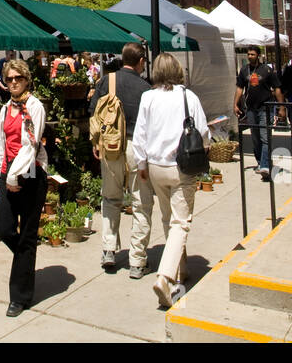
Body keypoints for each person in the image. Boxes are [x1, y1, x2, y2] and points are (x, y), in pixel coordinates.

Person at [132, 53, 209, 309]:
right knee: (180, 222)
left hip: (155, 167)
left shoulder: (148, 97)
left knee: (168, 219)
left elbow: (139, 134)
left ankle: (179, 270)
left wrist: (141, 164)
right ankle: (165, 277)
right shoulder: (188, 96)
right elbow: (204, 131)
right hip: (181, 167)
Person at [87, 42, 153, 276]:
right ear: (141, 61)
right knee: (140, 203)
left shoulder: (108, 81)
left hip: (111, 145)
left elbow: (93, 111)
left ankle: (108, 248)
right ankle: (137, 260)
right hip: (137, 148)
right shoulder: (146, 88)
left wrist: (97, 141)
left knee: (110, 197)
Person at [0, 58, 48, 317]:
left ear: (27, 80)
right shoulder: (5, 109)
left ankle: (19, 297)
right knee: (4, 228)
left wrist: (15, 176)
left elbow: (31, 144)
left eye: (18, 78)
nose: (14, 83)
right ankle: (25, 262)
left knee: (26, 233)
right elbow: (0, 143)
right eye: (10, 79)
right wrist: (2, 175)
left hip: (30, 173)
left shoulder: (34, 107)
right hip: (8, 172)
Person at [234, 45, 285, 180]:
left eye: (252, 54)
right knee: (255, 138)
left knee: (265, 137)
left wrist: (281, 107)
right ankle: (260, 162)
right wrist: (235, 104)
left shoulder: (267, 70)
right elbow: (239, 88)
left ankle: (265, 165)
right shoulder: (244, 70)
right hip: (251, 108)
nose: (250, 56)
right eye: (248, 54)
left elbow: (277, 88)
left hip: (265, 108)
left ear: (258, 55)